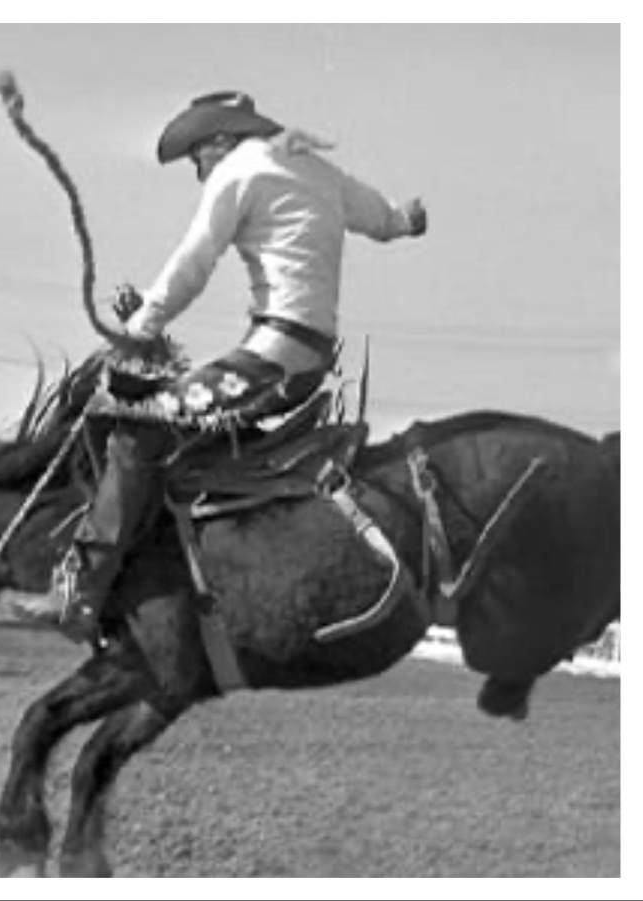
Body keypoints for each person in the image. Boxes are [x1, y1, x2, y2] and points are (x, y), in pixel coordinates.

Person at [59, 90, 428, 644]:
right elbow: (378, 216)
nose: (198, 171)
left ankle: (86, 590)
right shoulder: (314, 167)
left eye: (196, 158)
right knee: (179, 428)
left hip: (271, 357)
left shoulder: (238, 171)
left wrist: (139, 331)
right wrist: (405, 221)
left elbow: (194, 261)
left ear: (219, 140)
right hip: (307, 355)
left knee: (137, 422)